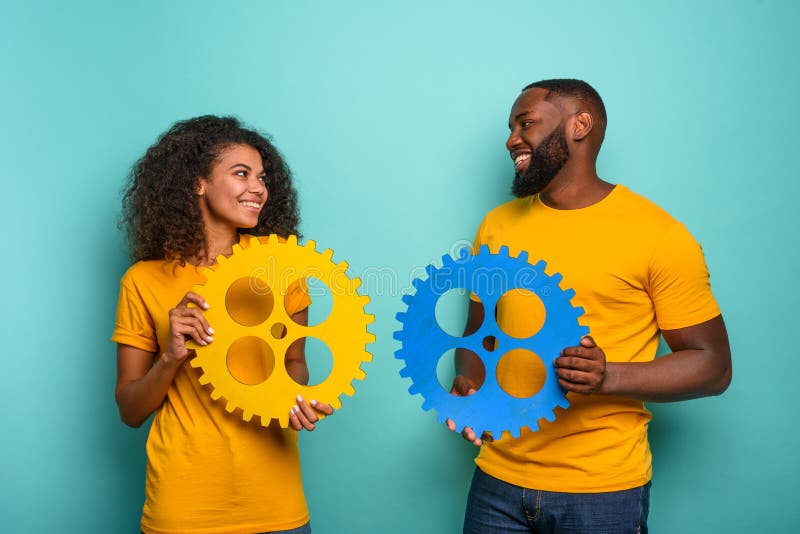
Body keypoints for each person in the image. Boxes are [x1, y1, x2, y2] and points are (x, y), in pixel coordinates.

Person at [447, 79, 732, 533]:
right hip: (496, 480)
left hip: (603, 492)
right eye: (510, 127)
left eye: (526, 123)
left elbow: (714, 366)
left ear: (581, 125)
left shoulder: (658, 235)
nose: (511, 139)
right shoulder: (496, 226)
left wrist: (608, 376)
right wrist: (469, 385)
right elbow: (476, 333)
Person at [112, 115, 331, 534]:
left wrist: (295, 398)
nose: (258, 188)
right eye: (240, 173)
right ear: (197, 183)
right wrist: (170, 358)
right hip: (182, 508)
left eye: (262, 177)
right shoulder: (142, 280)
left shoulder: (283, 266)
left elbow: (296, 363)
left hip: (275, 505)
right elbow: (129, 410)